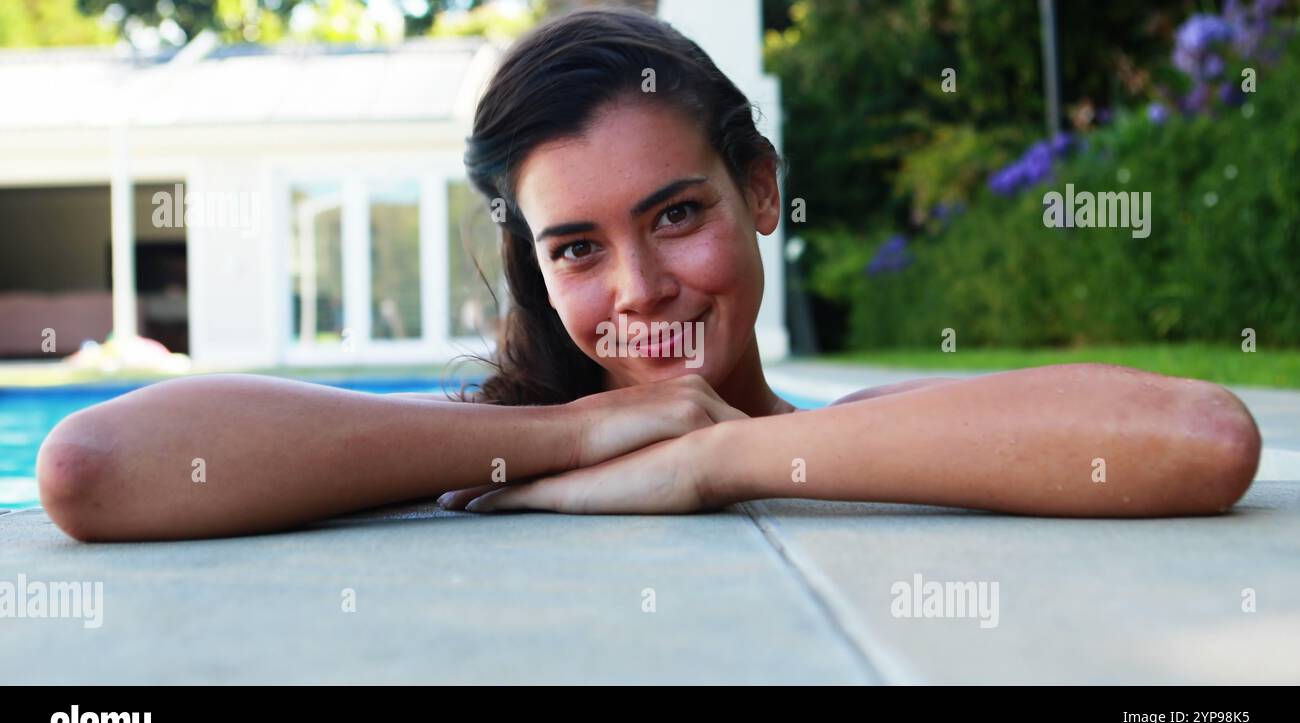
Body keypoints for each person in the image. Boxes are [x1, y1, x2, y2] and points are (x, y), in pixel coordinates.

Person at [36, 8, 1260, 542]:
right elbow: (90, 470)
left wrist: (711, 453)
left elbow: (1199, 438)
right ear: (534, 261)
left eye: (676, 214)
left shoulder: (864, 437)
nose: (639, 288)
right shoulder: (492, 453)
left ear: (762, 191)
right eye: (574, 246)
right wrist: (571, 441)